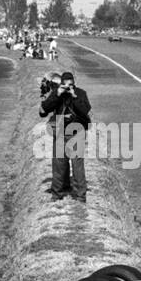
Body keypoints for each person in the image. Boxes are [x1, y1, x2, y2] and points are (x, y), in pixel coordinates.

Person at [40, 69, 92, 202]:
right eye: (66, 85)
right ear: (61, 84)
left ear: (74, 84)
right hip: (60, 131)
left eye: (71, 85)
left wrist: (74, 96)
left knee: (77, 165)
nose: (68, 88)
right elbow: (45, 108)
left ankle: (81, 196)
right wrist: (57, 94)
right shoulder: (58, 93)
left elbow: (85, 110)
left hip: (77, 132)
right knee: (58, 164)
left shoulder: (80, 93)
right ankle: (57, 194)